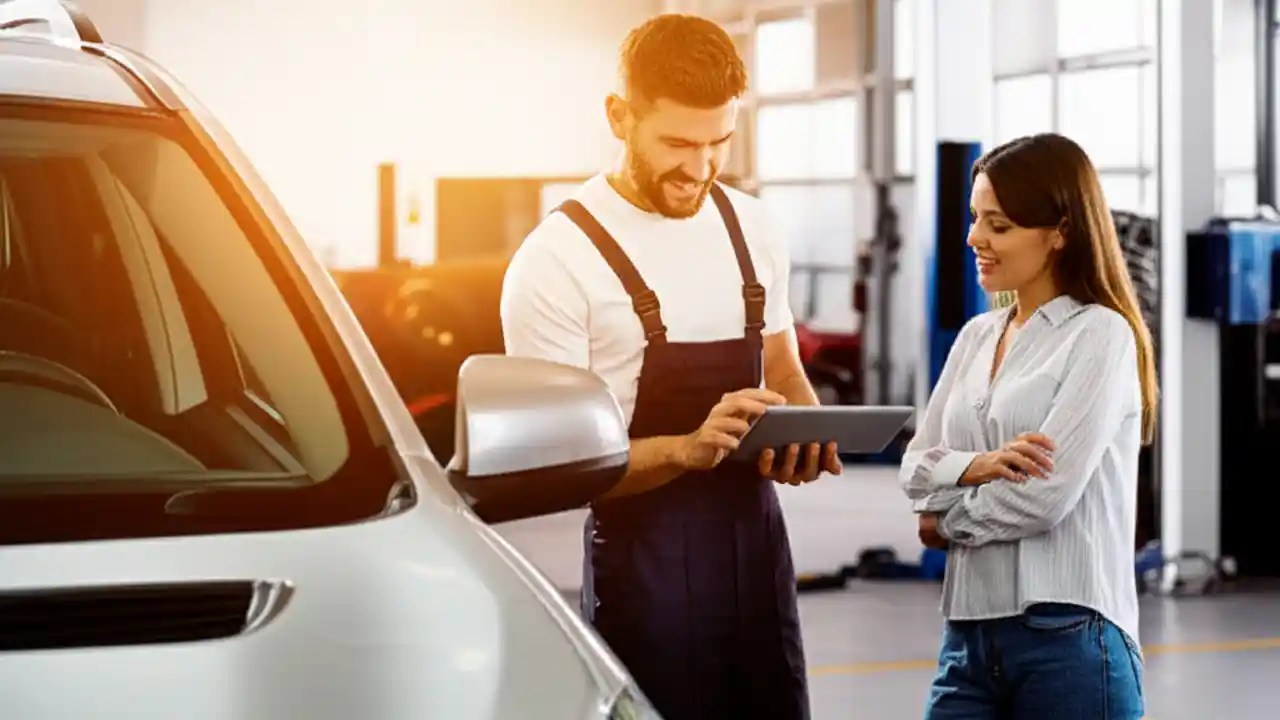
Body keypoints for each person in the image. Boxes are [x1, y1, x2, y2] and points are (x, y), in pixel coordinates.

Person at [500, 13, 840, 720]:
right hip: (642, 576)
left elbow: (782, 368)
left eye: (719, 142)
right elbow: (556, 467)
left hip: (759, 559)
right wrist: (688, 450)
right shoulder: (556, 261)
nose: (701, 168)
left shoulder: (753, 227)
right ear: (619, 116)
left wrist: (806, 434)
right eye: (678, 143)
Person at [900, 133, 1157, 720]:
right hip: (967, 638)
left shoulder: (1100, 334)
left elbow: (1044, 497)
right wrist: (977, 466)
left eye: (999, 225)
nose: (975, 238)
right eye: (975, 219)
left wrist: (945, 522)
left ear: (1060, 231)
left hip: (1069, 637)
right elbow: (915, 468)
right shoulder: (976, 337)